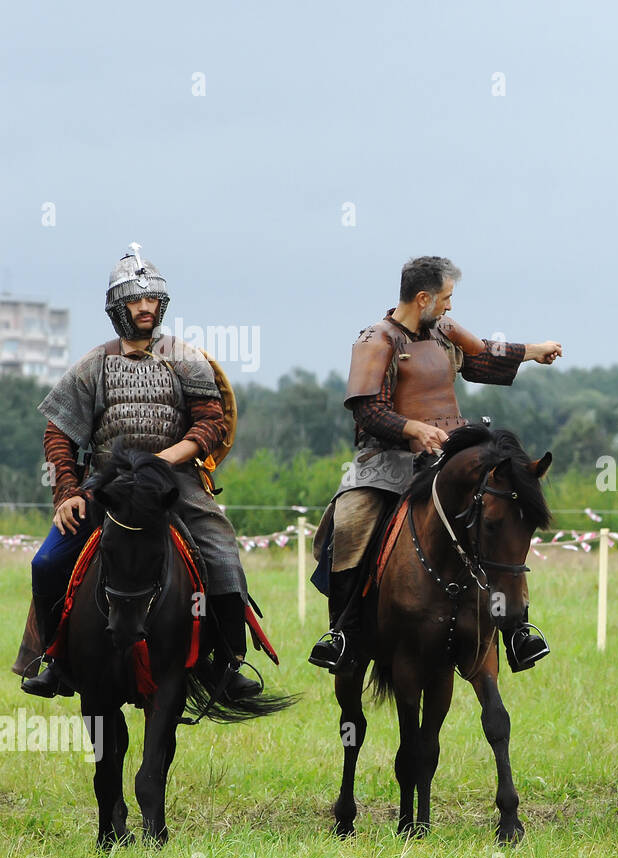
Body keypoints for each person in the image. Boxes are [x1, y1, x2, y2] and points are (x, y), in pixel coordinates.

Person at [15, 244, 265, 699]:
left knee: (223, 554)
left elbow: (211, 423)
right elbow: (59, 436)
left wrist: (165, 459)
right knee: (47, 561)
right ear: (117, 306)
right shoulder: (92, 365)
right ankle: (55, 658)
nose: (146, 307)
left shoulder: (185, 357)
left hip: (176, 484)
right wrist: (67, 493)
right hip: (107, 486)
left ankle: (225, 661)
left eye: (152, 299)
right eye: (136, 299)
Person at [308, 255, 562, 673]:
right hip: (385, 461)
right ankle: (344, 633)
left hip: (447, 454)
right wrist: (412, 429)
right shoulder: (376, 339)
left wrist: (531, 351)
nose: (449, 307)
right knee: (351, 522)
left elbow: (481, 358)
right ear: (422, 297)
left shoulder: (443, 332)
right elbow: (368, 412)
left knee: (502, 509)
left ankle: (517, 628)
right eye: (445, 299)